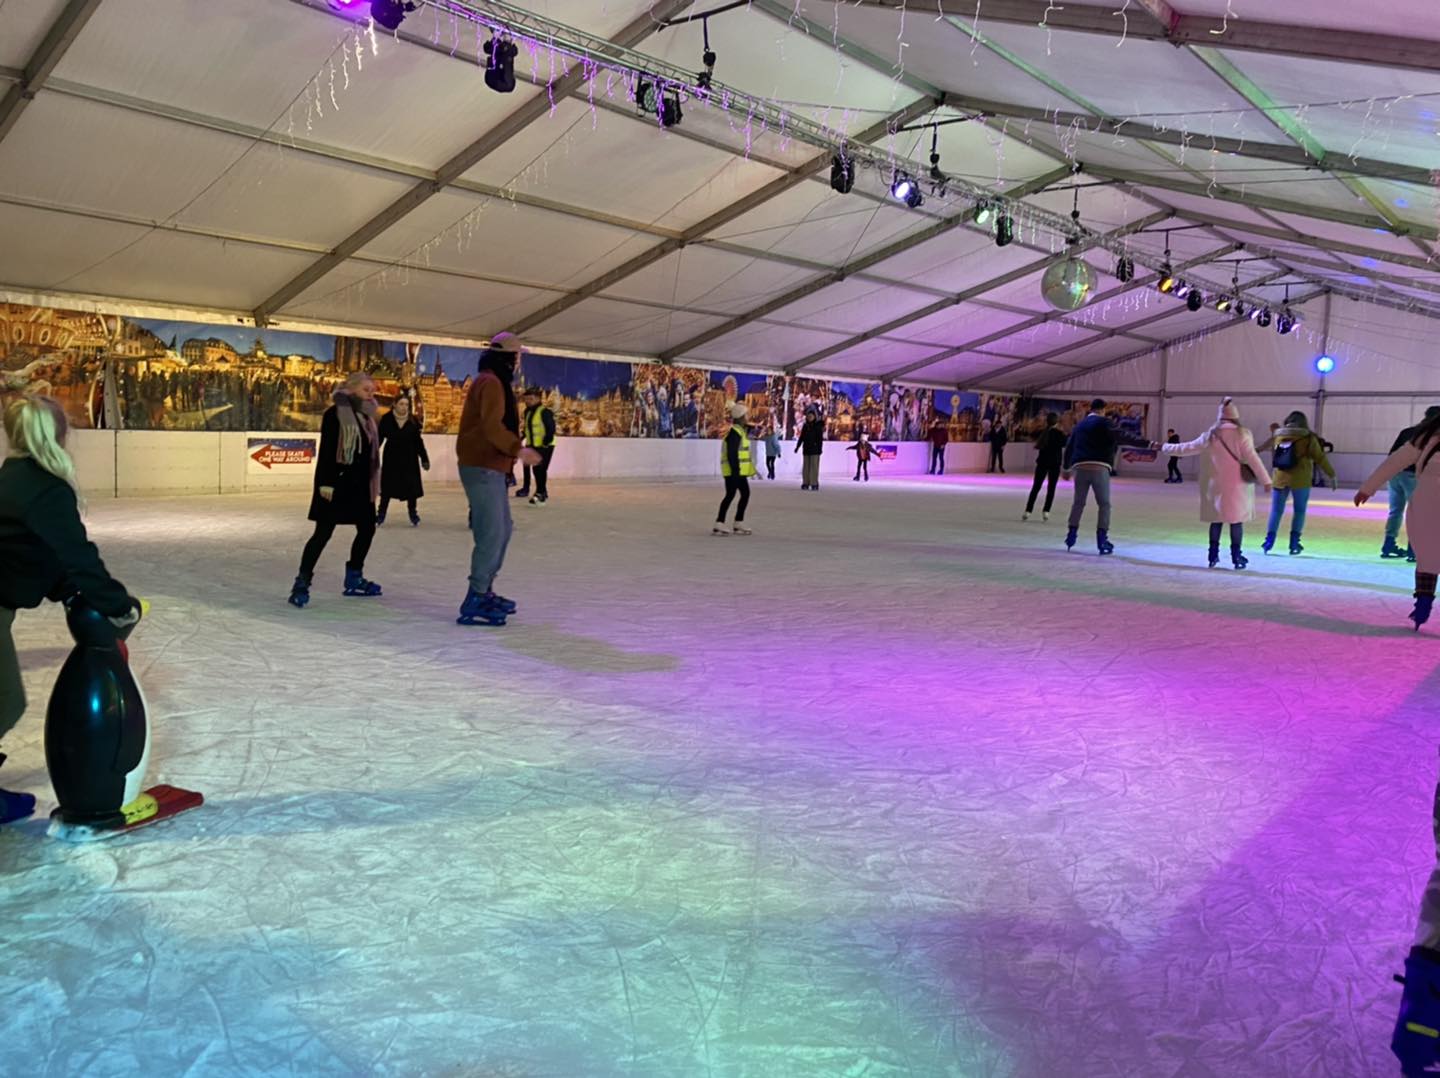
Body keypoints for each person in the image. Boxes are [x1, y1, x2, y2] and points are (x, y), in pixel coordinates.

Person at [0, 395, 142, 823]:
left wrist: (67, 590)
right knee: (5, 702)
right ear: (57, 434)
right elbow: (77, 556)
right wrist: (120, 605)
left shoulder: (11, 476)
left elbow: (34, 552)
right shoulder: (45, 487)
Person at [456, 337, 541, 627]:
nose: (519, 361)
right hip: (482, 467)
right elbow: (492, 426)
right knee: (492, 533)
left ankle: (485, 590)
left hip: (490, 467)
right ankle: (476, 596)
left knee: (503, 530)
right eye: (516, 356)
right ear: (505, 358)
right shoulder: (491, 383)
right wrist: (519, 449)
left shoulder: (493, 382)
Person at [288, 371, 383, 608]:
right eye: (365, 390)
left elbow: (371, 452)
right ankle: (302, 581)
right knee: (323, 533)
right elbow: (329, 450)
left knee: (367, 529)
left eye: (372, 390)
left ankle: (354, 577)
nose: (371, 394)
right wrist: (326, 482)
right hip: (338, 482)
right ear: (351, 390)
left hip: (362, 485)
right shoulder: (335, 414)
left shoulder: (369, 417)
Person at [1160, 398, 1272, 569]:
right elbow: (1253, 459)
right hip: (1238, 486)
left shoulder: (1211, 434)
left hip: (1216, 484)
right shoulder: (1243, 433)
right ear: (1235, 416)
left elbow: (1187, 448)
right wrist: (1266, 480)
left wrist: (1163, 447)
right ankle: (1236, 557)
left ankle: (1212, 556)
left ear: (1220, 417)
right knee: (1236, 521)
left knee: (1216, 520)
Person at [1356, 407, 1440, 629]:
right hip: (1426, 503)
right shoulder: (1426, 436)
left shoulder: (1425, 436)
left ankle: (1422, 604)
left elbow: (1395, 461)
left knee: (1428, 556)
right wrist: (1368, 487)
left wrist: (1368, 487)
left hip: (1425, 503)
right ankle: (1422, 604)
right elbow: (1396, 461)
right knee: (1428, 554)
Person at [1256, 411, 1334, 555]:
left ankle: (1269, 541)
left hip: (1280, 478)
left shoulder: (1278, 436)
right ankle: (1294, 543)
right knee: (1299, 511)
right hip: (1301, 479)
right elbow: (1320, 458)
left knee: (1275, 510)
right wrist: (1332, 475)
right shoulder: (1308, 438)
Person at [1379, 407, 1440, 561]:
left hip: (1395, 475)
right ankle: (1413, 551)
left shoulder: (1406, 432)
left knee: (1395, 511)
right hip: (1413, 477)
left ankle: (1388, 545)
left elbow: (1392, 454)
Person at [1062, 399, 1119, 554]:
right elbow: (1114, 442)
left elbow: (1070, 447)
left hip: (1079, 468)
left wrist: (1065, 468)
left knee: (1078, 503)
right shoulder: (1105, 423)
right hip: (1100, 467)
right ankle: (1102, 540)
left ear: (1091, 409)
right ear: (1102, 410)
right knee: (1104, 504)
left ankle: (1071, 535)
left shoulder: (1079, 425)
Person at [377, 395, 429, 526]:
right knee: (387, 488)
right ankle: (381, 514)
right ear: (394, 404)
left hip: (409, 458)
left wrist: (424, 458)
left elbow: (418, 442)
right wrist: (370, 453)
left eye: (406, 404)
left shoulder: (413, 420)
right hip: (392, 458)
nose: (404, 407)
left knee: (411, 488)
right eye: (401, 404)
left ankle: (413, 513)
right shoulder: (386, 419)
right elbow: (379, 439)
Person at [714, 403, 755, 536]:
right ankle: (720, 523)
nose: (747, 417)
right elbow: (732, 453)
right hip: (734, 472)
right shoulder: (735, 433)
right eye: (746, 415)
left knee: (742, 494)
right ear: (741, 417)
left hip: (737, 472)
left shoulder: (739, 431)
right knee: (732, 495)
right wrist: (735, 471)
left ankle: (737, 522)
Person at [1023, 412, 1067, 521]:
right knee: (1051, 488)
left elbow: (1030, 434)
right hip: (1055, 463)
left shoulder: (1042, 432)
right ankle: (1046, 511)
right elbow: (1065, 443)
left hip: (1042, 462)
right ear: (1056, 422)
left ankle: (1028, 510)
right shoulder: (1059, 434)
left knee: (1036, 487)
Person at [517, 387, 556, 506]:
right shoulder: (527, 412)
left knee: (540, 469)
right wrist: (521, 438)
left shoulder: (545, 412)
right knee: (536, 469)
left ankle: (540, 493)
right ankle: (541, 491)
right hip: (532, 445)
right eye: (526, 399)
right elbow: (527, 428)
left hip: (545, 446)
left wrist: (545, 443)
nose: (528, 401)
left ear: (538, 399)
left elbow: (551, 429)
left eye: (530, 399)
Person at [795, 405, 825, 491]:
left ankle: (814, 483)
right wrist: (798, 446)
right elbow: (802, 437)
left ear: (814, 417)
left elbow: (820, 439)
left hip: (815, 450)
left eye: (811, 416)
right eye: (808, 416)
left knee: (814, 467)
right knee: (806, 467)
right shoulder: (805, 426)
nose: (809, 418)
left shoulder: (818, 427)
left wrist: (819, 449)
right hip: (807, 449)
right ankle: (806, 482)